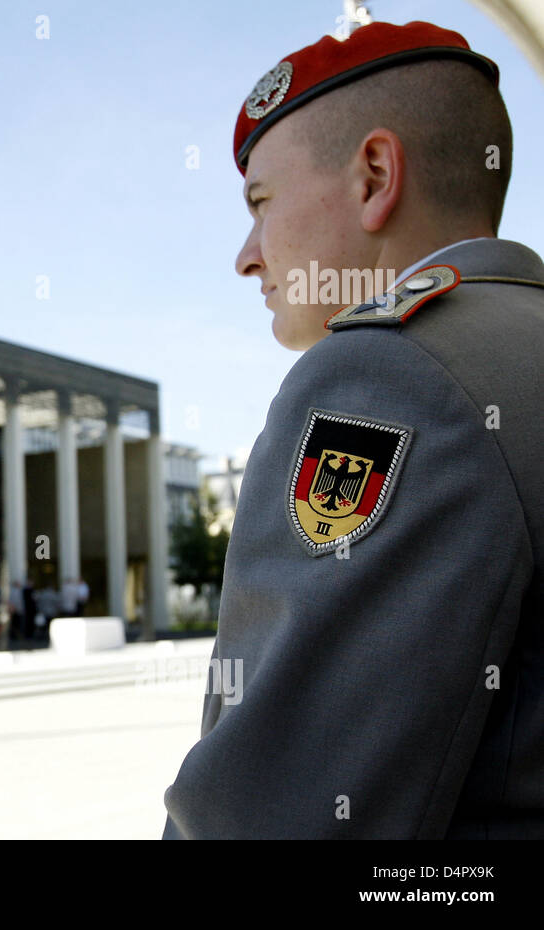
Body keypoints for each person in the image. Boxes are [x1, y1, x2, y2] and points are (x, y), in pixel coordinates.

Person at [162, 20, 544, 839]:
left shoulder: (387, 379)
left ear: (374, 175)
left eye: (261, 204)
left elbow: (275, 818)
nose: (246, 255)